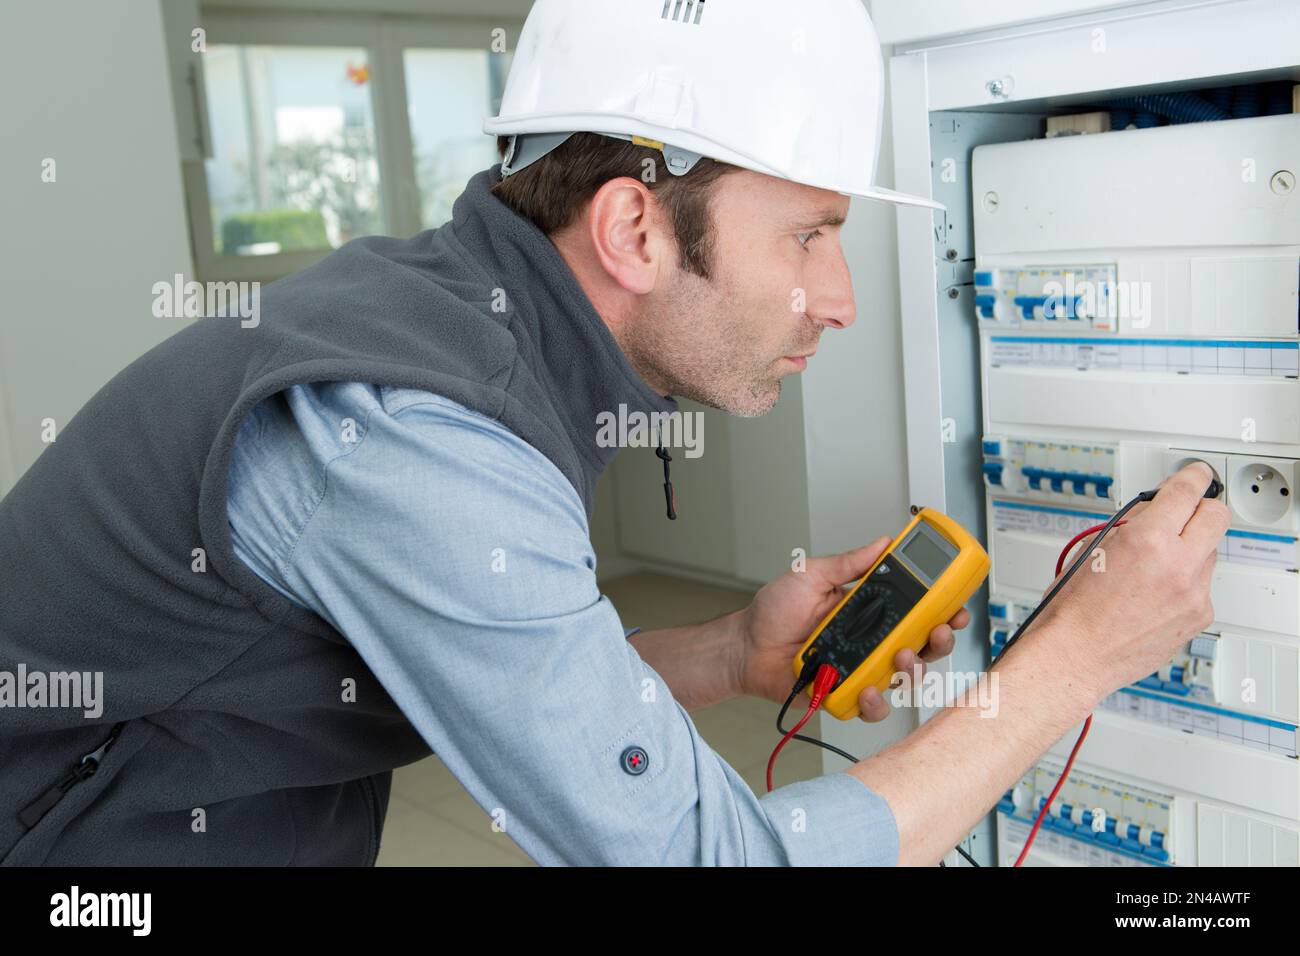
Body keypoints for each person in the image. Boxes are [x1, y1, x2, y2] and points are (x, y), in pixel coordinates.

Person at [0, 0, 1228, 866]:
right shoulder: (420, 431)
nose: (842, 296)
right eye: (807, 235)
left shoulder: (450, 324)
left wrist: (729, 648)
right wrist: (1074, 659)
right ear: (635, 229)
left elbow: (491, 675)